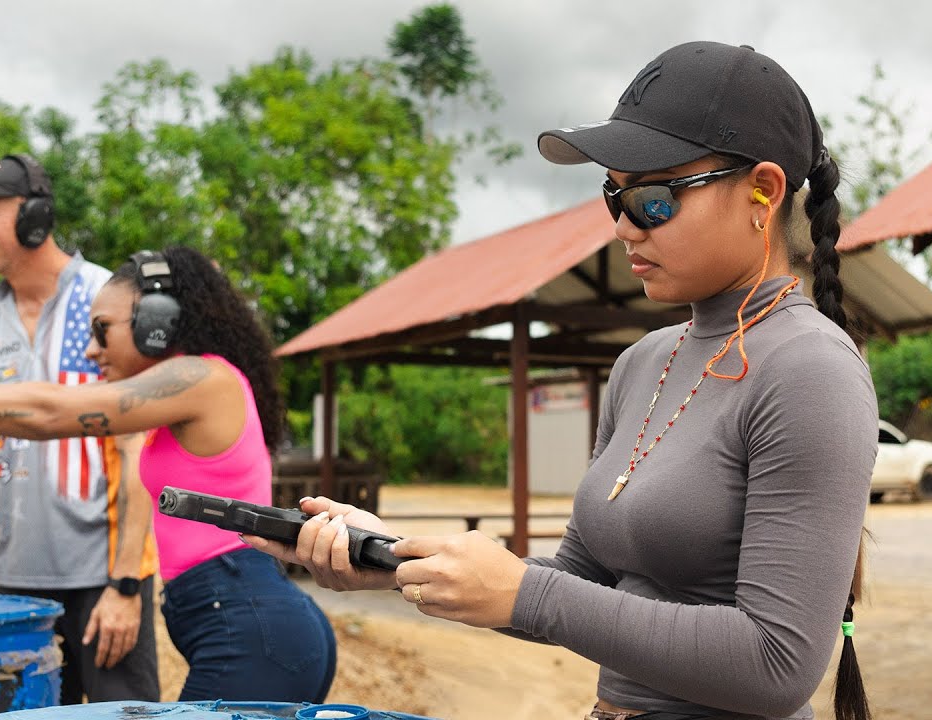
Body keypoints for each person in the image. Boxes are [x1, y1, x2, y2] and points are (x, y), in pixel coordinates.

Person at [242, 42, 878, 720]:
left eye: (653, 200)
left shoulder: (810, 369)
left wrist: (524, 593)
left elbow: (777, 663)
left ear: (764, 191)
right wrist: (390, 560)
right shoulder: (644, 364)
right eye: (614, 196)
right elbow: (577, 583)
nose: (624, 229)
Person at [0, 246, 338, 703]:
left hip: (247, 625)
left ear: (157, 324)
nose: (91, 349)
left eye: (103, 329)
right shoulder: (189, 389)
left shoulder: (200, 378)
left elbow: (49, 413)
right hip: (250, 621)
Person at [0, 154, 159, 704]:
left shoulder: (110, 300)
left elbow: (140, 448)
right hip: (17, 590)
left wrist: (126, 585)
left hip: (104, 580)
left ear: (35, 215)